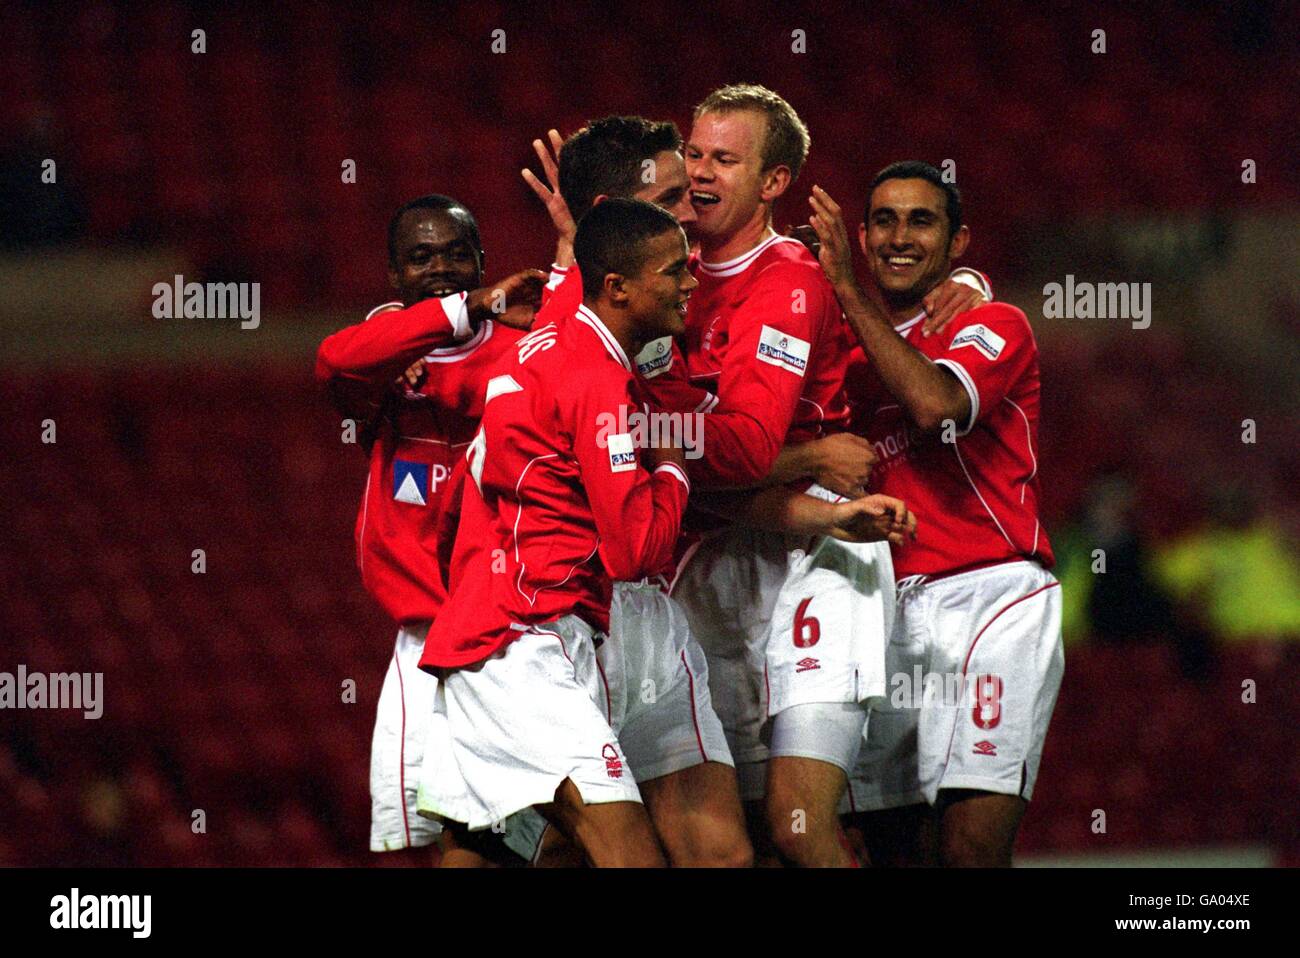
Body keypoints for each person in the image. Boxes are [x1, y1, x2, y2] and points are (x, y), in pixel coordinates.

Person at [807, 162, 1063, 866]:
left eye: (922, 220)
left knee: (970, 852)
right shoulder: (843, 356)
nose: (899, 237)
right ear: (860, 235)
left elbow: (935, 406)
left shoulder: (992, 321)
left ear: (958, 243)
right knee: (894, 850)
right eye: (884, 220)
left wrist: (845, 289)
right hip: (880, 609)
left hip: (990, 600)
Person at [314, 194, 545, 865]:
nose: (441, 267)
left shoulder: (521, 350)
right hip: (425, 636)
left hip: (510, 630)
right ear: (393, 276)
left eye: (456, 254)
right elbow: (333, 363)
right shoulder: (378, 365)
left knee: (524, 834)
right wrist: (445, 316)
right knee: (434, 841)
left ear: (483, 261)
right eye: (421, 257)